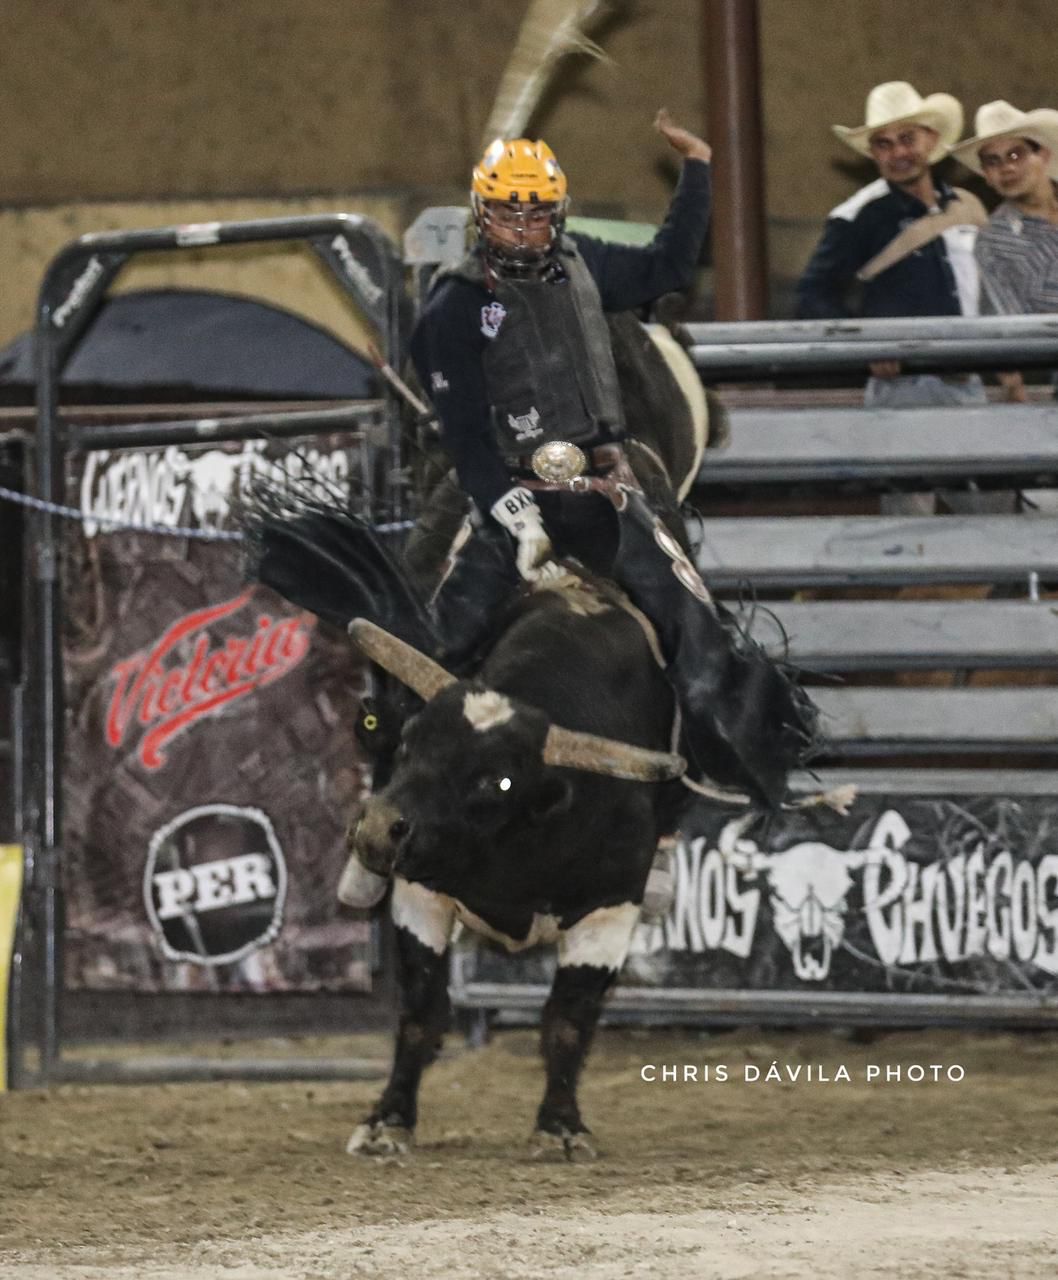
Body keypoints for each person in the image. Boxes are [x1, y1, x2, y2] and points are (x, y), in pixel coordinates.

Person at [408, 112, 817, 813]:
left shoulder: (584, 264)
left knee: (698, 635)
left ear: (558, 214)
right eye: (509, 214)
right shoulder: (456, 303)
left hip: (605, 488)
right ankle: (405, 790)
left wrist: (698, 171)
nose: (525, 229)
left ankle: (740, 780)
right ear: (482, 214)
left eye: (538, 215)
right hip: (511, 488)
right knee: (433, 642)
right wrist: (509, 508)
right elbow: (464, 429)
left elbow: (667, 267)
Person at [951, 100, 1058, 406]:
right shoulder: (993, 243)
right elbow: (1005, 327)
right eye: (993, 161)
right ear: (986, 175)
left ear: (1043, 155)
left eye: (1015, 155)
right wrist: (1015, 391)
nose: (1006, 168)